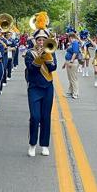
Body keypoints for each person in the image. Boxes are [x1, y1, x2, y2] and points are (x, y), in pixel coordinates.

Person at [25, 12, 56, 157]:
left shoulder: (51, 51)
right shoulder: (29, 53)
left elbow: (53, 68)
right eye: (39, 40)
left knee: (45, 117)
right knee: (35, 117)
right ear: (35, 41)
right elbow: (31, 69)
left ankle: (44, 145)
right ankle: (32, 143)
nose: (41, 42)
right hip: (34, 88)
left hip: (48, 87)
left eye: (44, 39)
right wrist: (39, 57)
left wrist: (47, 55)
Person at [64, 31, 80, 99]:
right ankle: (70, 92)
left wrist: (71, 61)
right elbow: (68, 53)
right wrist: (65, 63)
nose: (68, 38)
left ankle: (75, 93)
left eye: (68, 37)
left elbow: (75, 53)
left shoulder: (75, 43)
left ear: (71, 37)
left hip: (72, 62)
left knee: (73, 78)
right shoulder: (71, 43)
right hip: (68, 61)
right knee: (70, 78)